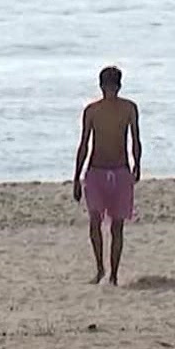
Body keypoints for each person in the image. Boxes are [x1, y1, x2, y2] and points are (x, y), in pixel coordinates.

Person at [73, 66, 142, 284]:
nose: (109, 90)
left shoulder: (129, 108)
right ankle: (100, 268)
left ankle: (113, 274)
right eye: (106, 87)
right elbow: (84, 143)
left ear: (118, 87)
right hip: (96, 171)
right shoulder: (92, 110)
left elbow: (135, 139)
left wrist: (137, 164)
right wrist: (77, 176)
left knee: (117, 225)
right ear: (101, 86)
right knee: (95, 221)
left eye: (112, 87)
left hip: (121, 170)